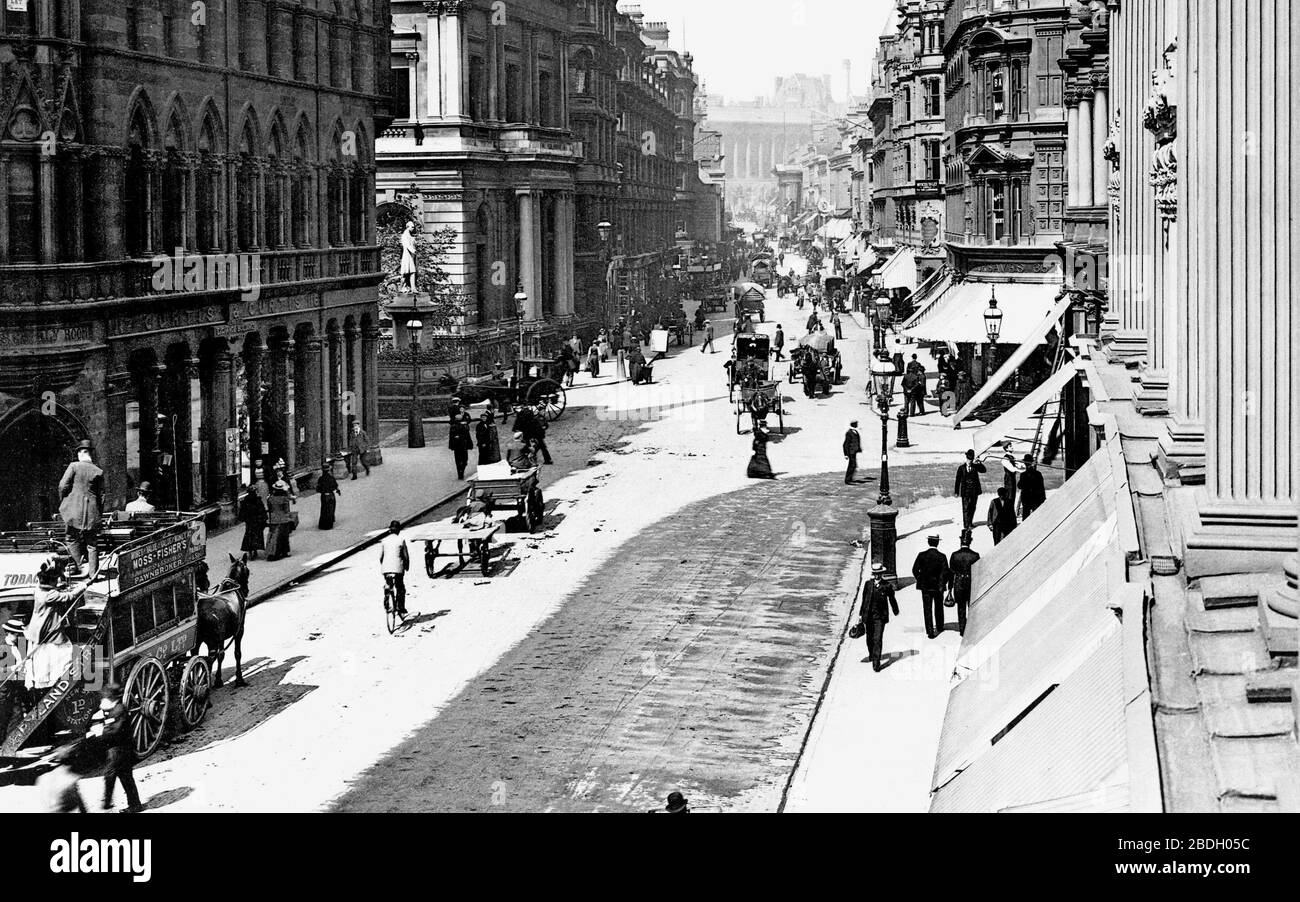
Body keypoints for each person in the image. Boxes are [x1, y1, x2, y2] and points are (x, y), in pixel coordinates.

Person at [57, 439, 103, 578]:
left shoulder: (74, 466)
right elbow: (101, 495)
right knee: (92, 544)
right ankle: (93, 574)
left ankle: (76, 567)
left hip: (74, 509)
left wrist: (64, 500)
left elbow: (62, 485)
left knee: (71, 537)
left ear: (82, 453)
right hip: (92, 511)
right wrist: (98, 512)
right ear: (90, 454)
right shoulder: (98, 471)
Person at [94, 683, 142, 812]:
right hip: (119, 750)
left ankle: (108, 803)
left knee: (111, 775)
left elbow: (115, 731)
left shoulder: (119, 710)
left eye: (106, 697)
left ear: (112, 698)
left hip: (120, 750)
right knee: (125, 777)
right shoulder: (114, 709)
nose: (103, 699)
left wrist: (100, 732)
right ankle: (134, 804)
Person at [858, 563, 900, 672]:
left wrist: (895, 610)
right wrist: (860, 615)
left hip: (880, 617)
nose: (877, 576)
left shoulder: (886, 586)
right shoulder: (868, 584)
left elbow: (892, 598)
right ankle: (872, 654)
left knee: (877, 639)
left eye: (879, 574)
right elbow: (864, 600)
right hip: (868, 616)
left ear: (881, 574)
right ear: (873, 574)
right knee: (869, 638)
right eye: (875, 574)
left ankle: (876, 664)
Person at [912, 535, 952, 639]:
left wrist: (920, 579)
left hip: (925, 586)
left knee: (927, 608)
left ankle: (930, 631)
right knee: (938, 607)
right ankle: (939, 626)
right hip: (938, 587)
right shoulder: (942, 556)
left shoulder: (921, 555)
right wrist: (943, 583)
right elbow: (945, 572)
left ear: (928, 542)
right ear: (937, 543)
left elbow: (915, 570)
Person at [947, 529, 981, 636]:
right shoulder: (975, 555)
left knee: (960, 608)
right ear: (970, 541)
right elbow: (978, 573)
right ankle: (971, 629)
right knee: (971, 608)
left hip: (958, 585)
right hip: (971, 585)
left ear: (961, 541)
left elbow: (951, 573)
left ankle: (962, 630)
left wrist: (950, 588)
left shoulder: (954, 555)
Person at [0, 617, 28, 743]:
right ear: (9, 633)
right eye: (16, 634)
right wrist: (12, 668)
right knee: (2, 719)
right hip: (3, 690)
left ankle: (11, 744)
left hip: (15, 689)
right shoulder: (1, 647)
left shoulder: (20, 645)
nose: (17, 636)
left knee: (17, 717)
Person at [38, 742, 86, 813]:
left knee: (74, 795)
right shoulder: (65, 750)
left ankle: (82, 809)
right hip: (68, 773)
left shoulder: (65, 750)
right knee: (74, 795)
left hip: (68, 772)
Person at [379, 520, 410, 617]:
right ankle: (401, 608)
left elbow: (381, 557)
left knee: (389, 583)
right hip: (397, 568)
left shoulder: (384, 541)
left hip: (386, 568)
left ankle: (387, 597)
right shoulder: (401, 540)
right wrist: (406, 566)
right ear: (399, 530)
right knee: (400, 587)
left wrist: (384, 566)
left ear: (390, 530)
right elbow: (406, 556)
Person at [954, 449, 988, 531]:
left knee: (972, 507)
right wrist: (956, 492)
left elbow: (984, 470)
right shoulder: (961, 468)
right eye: (969, 459)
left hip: (974, 491)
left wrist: (979, 462)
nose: (970, 461)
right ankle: (966, 525)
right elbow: (957, 480)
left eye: (971, 459)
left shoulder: (975, 466)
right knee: (966, 508)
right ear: (966, 458)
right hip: (965, 492)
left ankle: (970, 522)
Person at [265, 480, 294, 561]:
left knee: (274, 536)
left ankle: (272, 552)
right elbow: (286, 510)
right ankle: (284, 552)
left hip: (273, 519)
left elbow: (269, 509)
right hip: (283, 519)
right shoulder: (284, 499)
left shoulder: (270, 499)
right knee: (284, 536)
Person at [238, 484, 267, 559]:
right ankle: (255, 550)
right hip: (257, 521)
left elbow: (242, 512)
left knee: (249, 535)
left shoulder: (245, 501)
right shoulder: (257, 500)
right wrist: (264, 518)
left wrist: (243, 518)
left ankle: (250, 551)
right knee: (257, 536)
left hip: (249, 521)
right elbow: (262, 510)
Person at [1018, 454, 1047, 520]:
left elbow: (1019, 486)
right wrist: (1043, 498)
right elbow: (1041, 487)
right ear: (1032, 462)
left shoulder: (1023, 475)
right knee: (1036, 517)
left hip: (1026, 499)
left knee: (1025, 516)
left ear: (1025, 463)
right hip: (1036, 498)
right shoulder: (1038, 474)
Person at [449, 410, 475, 480]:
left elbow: (467, 436)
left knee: (462, 460)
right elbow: (451, 437)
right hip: (459, 446)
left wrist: (470, 444)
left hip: (462, 446)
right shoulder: (454, 427)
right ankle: (460, 474)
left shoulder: (464, 426)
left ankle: (461, 471)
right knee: (461, 460)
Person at [1000, 442, 1024, 515]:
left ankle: (1010, 514)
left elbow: (1018, 464)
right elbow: (1012, 469)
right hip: (1008, 480)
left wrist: (1025, 466)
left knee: (1012, 496)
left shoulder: (1012, 457)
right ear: (1006, 448)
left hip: (1012, 479)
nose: (1012, 447)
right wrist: (1022, 471)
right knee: (1009, 497)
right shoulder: (1005, 459)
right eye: (1010, 446)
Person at [316, 462, 341, 530]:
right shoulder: (331, 478)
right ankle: (330, 523)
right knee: (331, 509)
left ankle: (323, 525)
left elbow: (318, 489)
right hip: (331, 495)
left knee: (324, 509)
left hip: (324, 496)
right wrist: (338, 491)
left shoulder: (320, 479)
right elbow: (336, 486)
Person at [843, 421, 862, 485]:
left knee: (853, 465)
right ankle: (848, 480)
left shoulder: (855, 431)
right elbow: (846, 444)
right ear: (853, 424)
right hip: (851, 452)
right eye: (856, 424)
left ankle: (850, 479)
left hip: (854, 451)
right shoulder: (849, 432)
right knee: (852, 465)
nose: (857, 424)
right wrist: (846, 454)